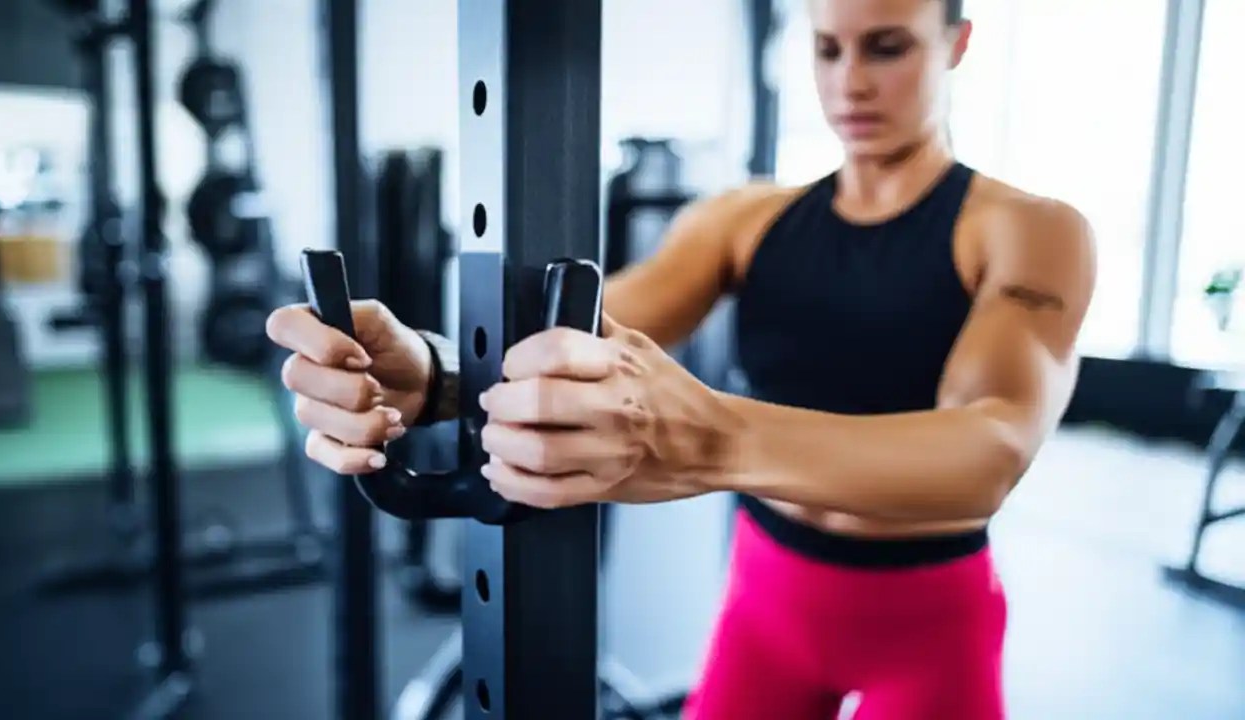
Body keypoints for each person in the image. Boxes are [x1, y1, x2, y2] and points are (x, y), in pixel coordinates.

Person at [266, 0, 1096, 716]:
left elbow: (988, 449)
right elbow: (572, 341)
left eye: (887, 46)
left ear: (955, 44)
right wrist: (440, 375)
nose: (850, 81)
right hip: (768, 605)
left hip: (927, 621)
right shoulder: (743, 220)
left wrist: (708, 442)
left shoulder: (1028, 229)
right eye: (827, 47)